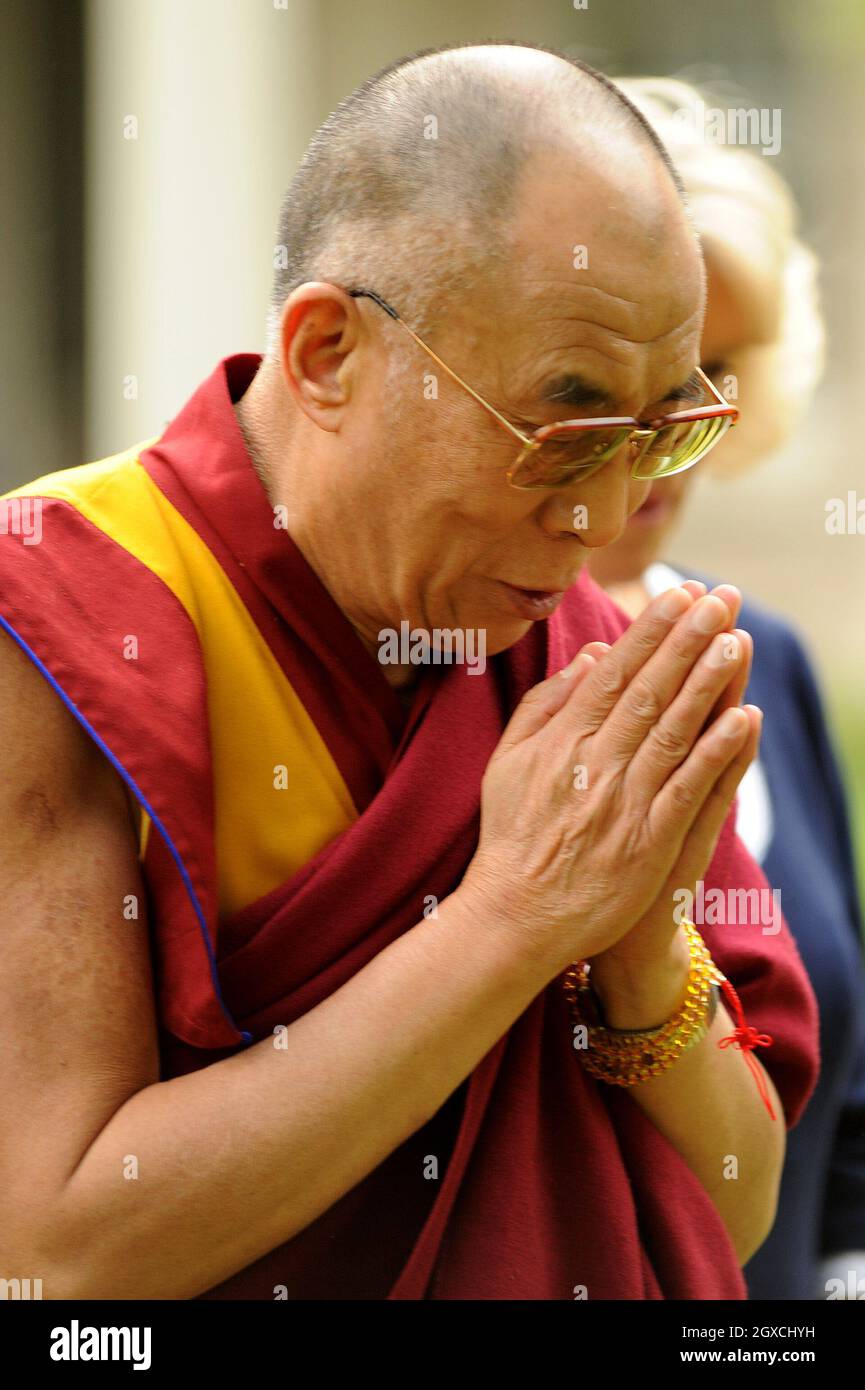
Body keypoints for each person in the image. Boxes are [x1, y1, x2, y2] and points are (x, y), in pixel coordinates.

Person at [0, 42, 818, 1300]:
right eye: (568, 430)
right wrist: (513, 921)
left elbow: (737, 1201)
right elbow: (57, 1251)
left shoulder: (578, 656)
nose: (605, 520)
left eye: (659, 432)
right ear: (328, 351)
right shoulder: (61, 615)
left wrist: (641, 947)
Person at [589, 77, 865, 1301]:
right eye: (597, 381)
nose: (661, 431)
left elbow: (848, 1104)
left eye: (704, 369)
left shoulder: (772, 657)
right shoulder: (448, 663)